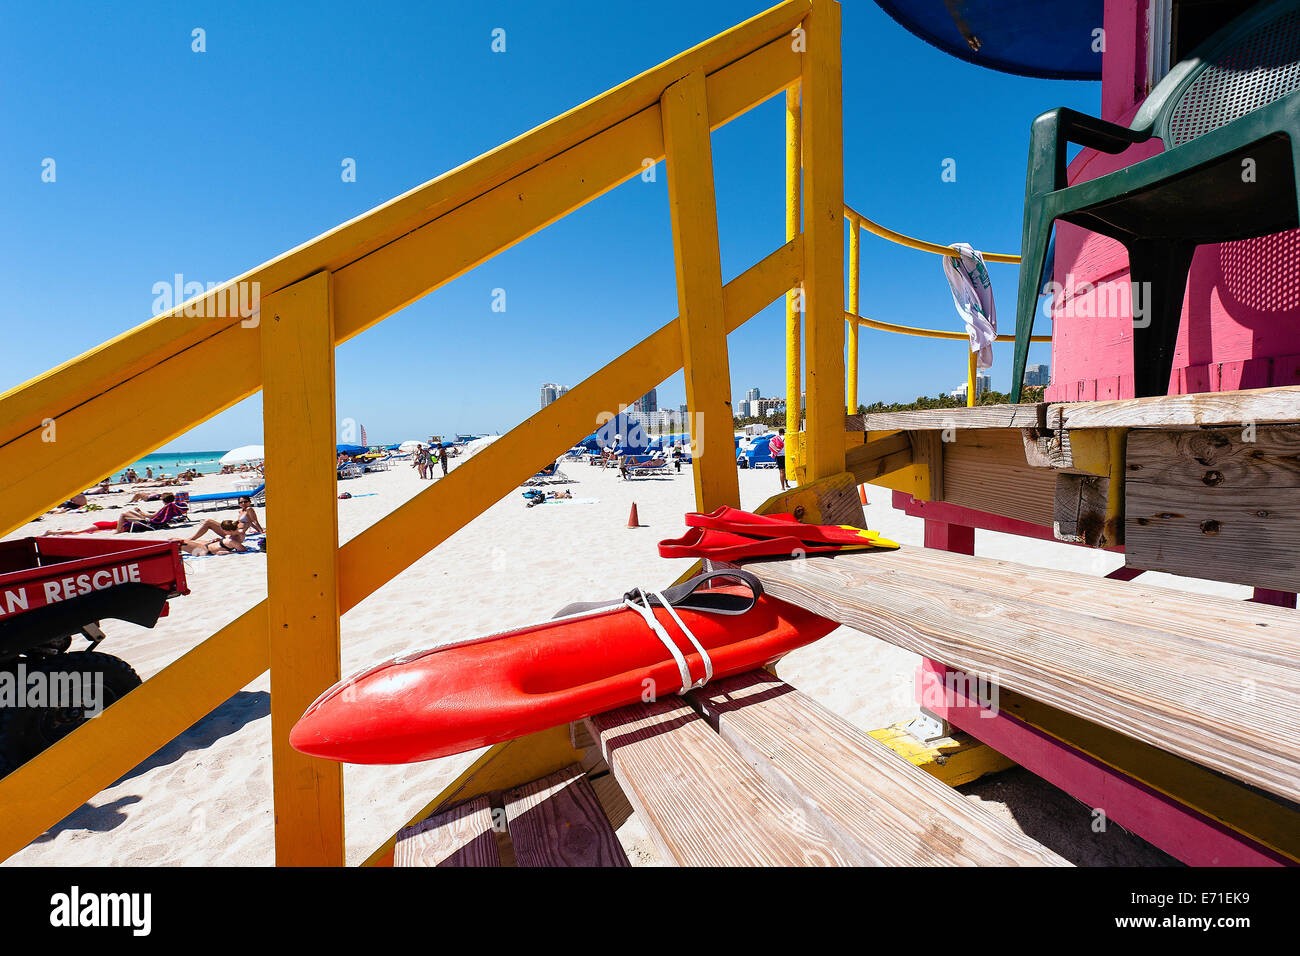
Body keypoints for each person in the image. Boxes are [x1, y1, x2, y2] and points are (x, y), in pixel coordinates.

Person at [115, 493, 187, 533]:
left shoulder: (165, 507)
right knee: (129, 512)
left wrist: (139, 511)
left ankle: (118, 531)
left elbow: (151, 516)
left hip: (150, 522)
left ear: (164, 500)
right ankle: (120, 528)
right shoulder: (171, 507)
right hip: (153, 521)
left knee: (123, 514)